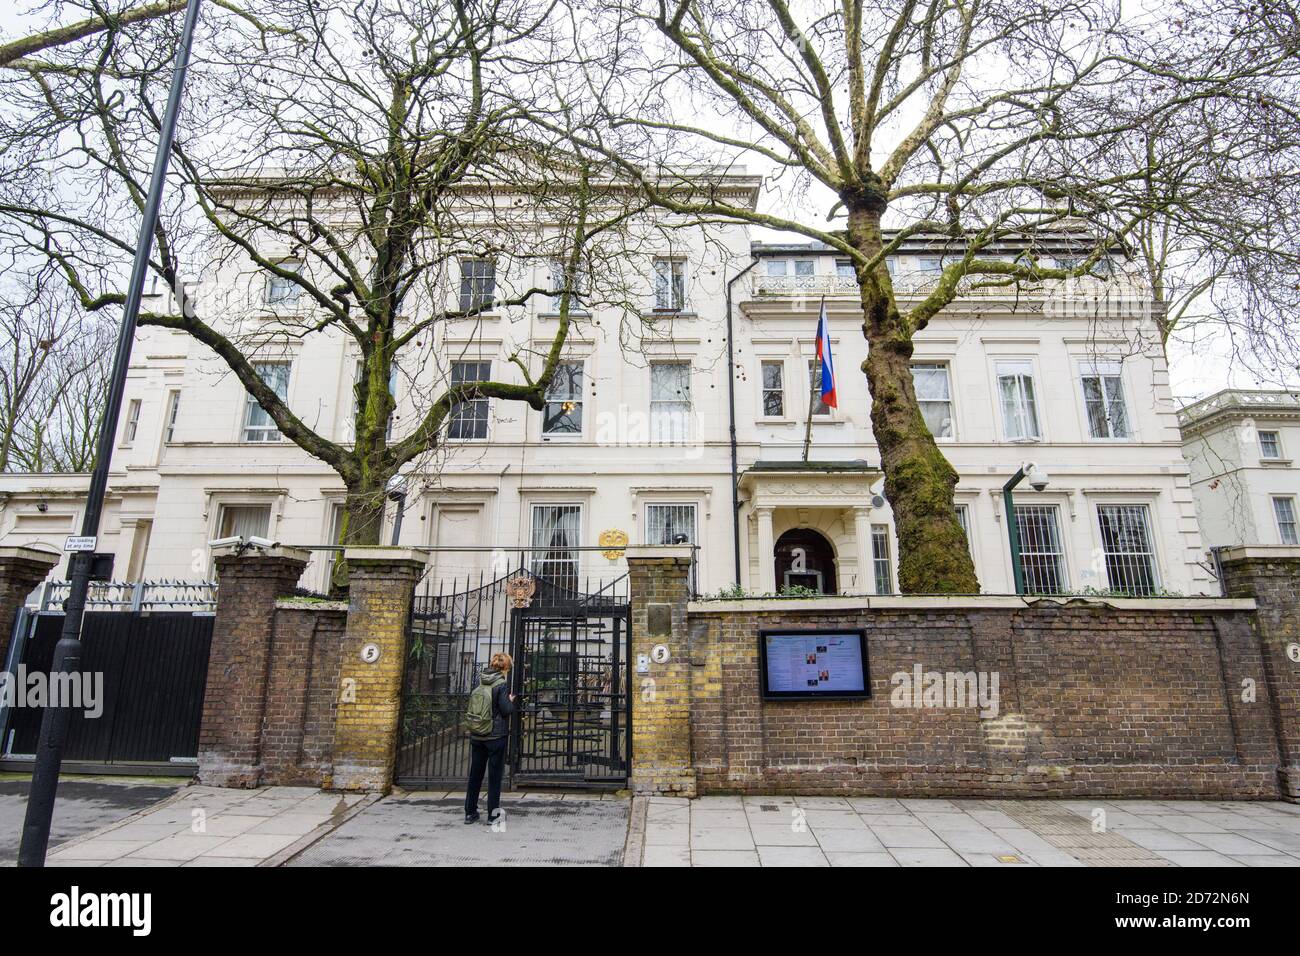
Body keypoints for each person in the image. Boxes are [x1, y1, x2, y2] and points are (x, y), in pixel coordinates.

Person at [464, 651, 515, 825]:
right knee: (494, 777)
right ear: (506, 667)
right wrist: (510, 700)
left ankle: (470, 812)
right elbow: (506, 710)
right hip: (495, 737)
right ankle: (493, 815)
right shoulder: (501, 684)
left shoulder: (481, 680)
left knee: (475, 775)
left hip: (478, 735)